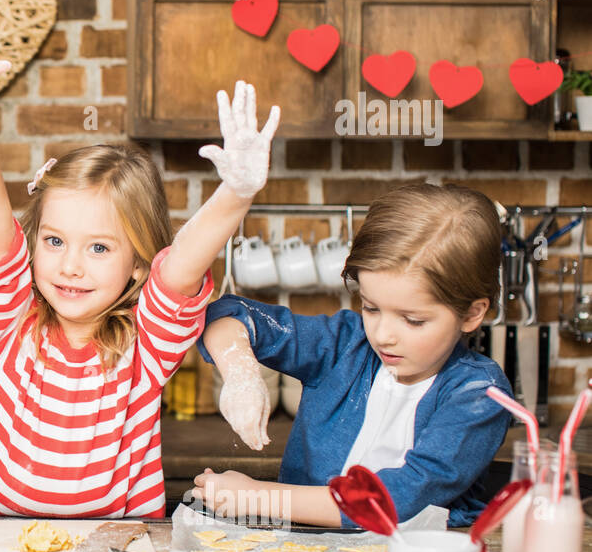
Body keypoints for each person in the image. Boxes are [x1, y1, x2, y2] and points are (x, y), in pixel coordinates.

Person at [0, 2, 278, 517]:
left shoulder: (147, 345)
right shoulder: (8, 320)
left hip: (119, 548)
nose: (70, 266)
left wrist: (235, 195)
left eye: (100, 248)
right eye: (55, 241)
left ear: (138, 264)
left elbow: (180, 271)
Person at [195, 183, 511, 528]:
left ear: (471, 314)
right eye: (371, 308)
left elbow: (397, 499)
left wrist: (258, 497)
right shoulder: (345, 345)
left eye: (413, 320)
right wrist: (241, 374)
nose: (382, 335)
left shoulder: (480, 393)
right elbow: (227, 315)